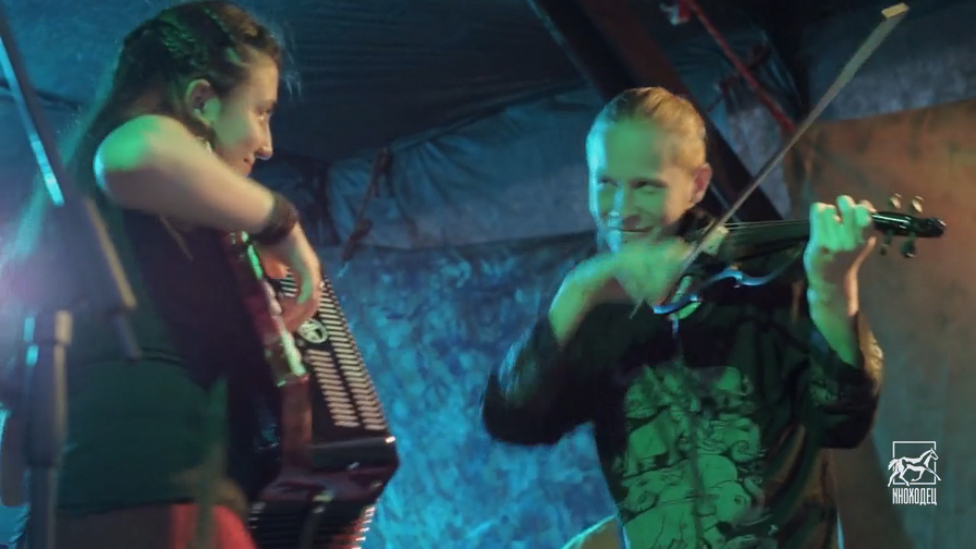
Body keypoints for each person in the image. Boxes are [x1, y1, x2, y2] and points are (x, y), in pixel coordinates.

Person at [481, 87, 884, 548]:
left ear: (696, 185)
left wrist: (833, 291)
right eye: (605, 182)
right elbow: (513, 422)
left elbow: (844, 423)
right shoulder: (595, 301)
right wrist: (578, 290)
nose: (621, 210)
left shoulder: (765, 277)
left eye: (646, 186)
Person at [0, 2, 322, 547]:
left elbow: (11, 483)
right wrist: (282, 224)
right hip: (157, 507)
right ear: (201, 101)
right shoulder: (142, 138)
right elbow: (133, 154)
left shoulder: (125, 226)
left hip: (108, 508)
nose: (267, 144)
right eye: (261, 112)